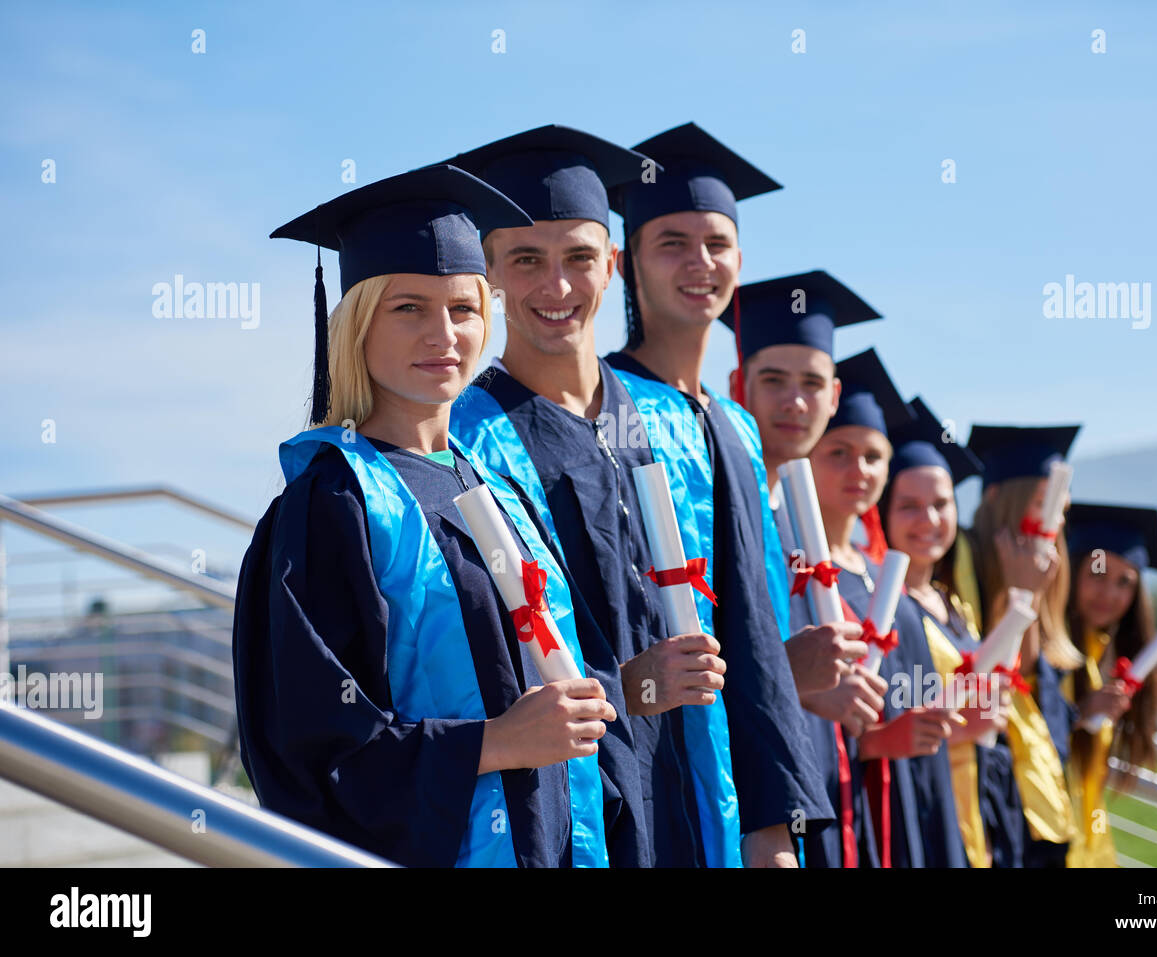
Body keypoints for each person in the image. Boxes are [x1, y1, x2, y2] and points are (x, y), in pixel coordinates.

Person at [233, 164, 638, 867]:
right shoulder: (335, 500)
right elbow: (313, 751)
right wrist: (500, 742)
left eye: (463, 308)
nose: (442, 334)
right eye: (408, 308)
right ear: (357, 324)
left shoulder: (501, 490)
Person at [438, 125, 733, 867]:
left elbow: (743, 627)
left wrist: (773, 822)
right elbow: (478, 661)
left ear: (611, 265)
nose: (557, 286)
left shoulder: (670, 419)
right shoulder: (462, 441)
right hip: (571, 816)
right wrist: (627, 686)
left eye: (578, 258)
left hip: (692, 792)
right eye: (527, 260)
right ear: (491, 276)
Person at [605, 122, 836, 866]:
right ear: (626, 262)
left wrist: (777, 821)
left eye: (717, 243)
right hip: (651, 769)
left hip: (747, 785)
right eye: (671, 242)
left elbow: (754, 613)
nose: (700, 262)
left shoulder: (735, 424)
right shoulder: (601, 407)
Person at [721, 270, 890, 867]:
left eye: (812, 385)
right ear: (739, 386)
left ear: (835, 397)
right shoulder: (711, 512)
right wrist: (793, 680)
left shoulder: (796, 527)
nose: (795, 402)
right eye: (774, 381)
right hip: (735, 807)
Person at [812, 349, 968, 867]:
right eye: (839, 452)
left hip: (908, 806)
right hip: (839, 813)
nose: (859, 469)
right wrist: (876, 744)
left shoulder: (884, 580)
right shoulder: (798, 573)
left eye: (874, 456)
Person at [878, 396, 1024, 867]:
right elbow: (886, 721)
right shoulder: (880, 608)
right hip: (920, 809)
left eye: (941, 504)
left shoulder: (953, 604)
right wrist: (964, 729)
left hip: (976, 805)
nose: (930, 520)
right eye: (909, 506)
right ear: (882, 513)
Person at [964, 423, 1086, 867]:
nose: (1051, 523)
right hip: (976, 771)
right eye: (1041, 504)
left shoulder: (1045, 575)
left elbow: (1027, 678)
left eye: (1061, 510)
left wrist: (1030, 594)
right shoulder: (959, 559)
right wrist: (1015, 598)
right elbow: (988, 672)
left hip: (1025, 789)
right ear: (998, 498)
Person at [1062, 502, 1157, 867]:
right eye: (1098, 574)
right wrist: (1078, 714)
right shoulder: (1047, 652)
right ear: (1071, 571)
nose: (1110, 593)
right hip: (1051, 839)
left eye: (1125, 582)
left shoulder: (1104, 655)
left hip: (1093, 845)